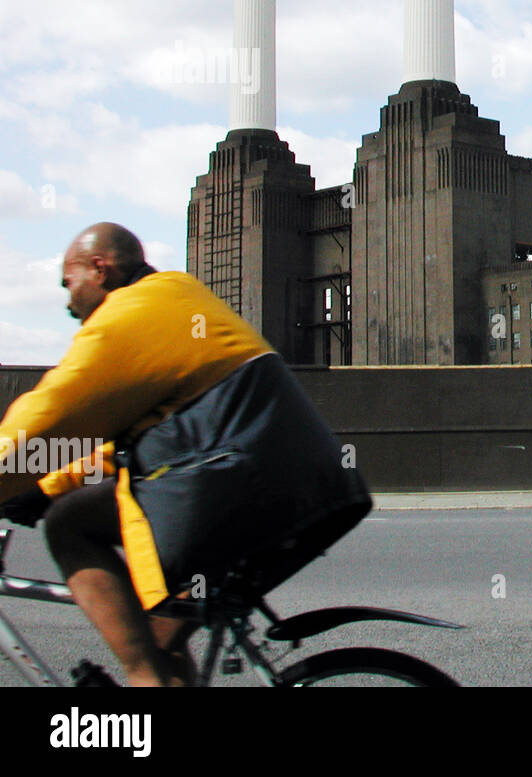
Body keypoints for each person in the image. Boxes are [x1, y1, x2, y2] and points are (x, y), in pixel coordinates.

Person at [0, 223, 370, 686]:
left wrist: (29, 487)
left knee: (69, 524)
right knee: (161, 643)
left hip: (243, 487)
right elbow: (125, 444)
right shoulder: (176, 292)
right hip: (304, 488)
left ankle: (143, 681)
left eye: (67, 283)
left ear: (99, 269)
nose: (66, 300)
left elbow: (49, 417)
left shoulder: (124, 320)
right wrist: (46, 484)